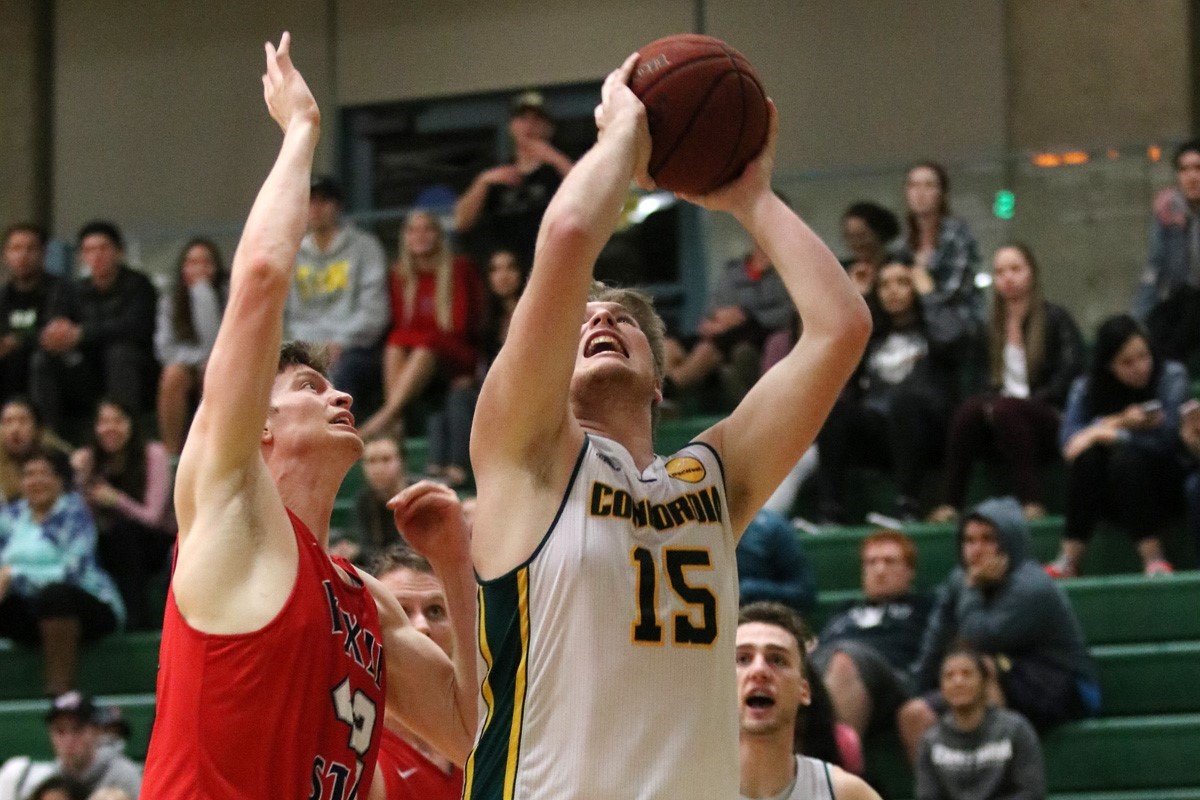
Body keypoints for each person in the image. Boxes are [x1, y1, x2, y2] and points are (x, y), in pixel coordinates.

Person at [467, 53, 871, 799]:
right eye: (584, 319)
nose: (603, 320)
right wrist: (623, 134)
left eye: (624, 319)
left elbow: (840, 327)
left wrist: (752, 199)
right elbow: (565, 240)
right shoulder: (524, 457)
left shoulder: (713, 482)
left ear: (659, 381)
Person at [140, 34, 477, 799]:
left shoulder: (367, 599)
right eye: (306, 385)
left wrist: (456, 569)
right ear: (256, 423)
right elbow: (260, 275)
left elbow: (469, 737)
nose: (338, 395)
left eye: (333, 386)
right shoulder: (229, 509)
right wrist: (300, 131)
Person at [899, 497, 1099, 762]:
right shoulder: (960, 578)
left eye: (987, 540)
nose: (976, 550)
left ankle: (989, 784)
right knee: (914, 715)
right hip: (1004, 676)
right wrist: (917, 690)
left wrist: (972, 588)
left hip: (1065, 685)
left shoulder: (1032, 586)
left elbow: (977, 637)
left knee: (980, 668)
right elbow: (936, 638)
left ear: (1009, 542)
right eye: (969, 541)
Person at [929, 244, 1084, 523]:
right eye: (1000, 272)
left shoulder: (1056, 318)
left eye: (1015, 269)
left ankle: (1032, 502)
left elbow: (1069, 372)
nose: (1007, 278)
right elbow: (977, 381)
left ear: (1032, 274)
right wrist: (989, 402)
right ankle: (950, 503)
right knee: (969, 411)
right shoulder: (986, 328)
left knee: (1006, 409)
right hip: (1000, 417)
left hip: (1048, 415)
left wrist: (1029, 402)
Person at [816, 261, 968, 523]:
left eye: (902, 282)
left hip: (927, 432)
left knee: (904, 403)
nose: (892, 291)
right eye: (884, 285)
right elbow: (834, 355)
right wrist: (855, 299)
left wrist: (929, 295)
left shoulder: (934, 331)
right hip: (879, 433)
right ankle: (831, 513)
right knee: (835, 411)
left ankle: (908, 507)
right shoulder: (872, 337)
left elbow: (952, 338)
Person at [1046, 315, 1188, 577]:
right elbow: (1070, 447)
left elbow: (1169, 441)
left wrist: (1118, 436)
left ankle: (1154, 559)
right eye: (1127, 362)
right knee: (1088, 459)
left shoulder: (1171, 376)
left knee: (1125, 460)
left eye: (1144, 356)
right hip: (1109, 491)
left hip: (1161, 484)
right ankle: (1069, 559)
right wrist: (1121, 422)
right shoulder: (1086, 388)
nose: (1140, 367)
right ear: (1109, 365)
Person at [0, 448, 124, 694]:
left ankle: (60, 692)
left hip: (87, 606)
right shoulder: (11, 517)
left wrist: (16, 576)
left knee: (55, 595)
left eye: (44, 474)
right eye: (28, 475)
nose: (35, 481)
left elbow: (72, 573)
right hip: (31, 612)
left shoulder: (75, 513)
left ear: (60, 480)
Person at [737, 601, 882, 800]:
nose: (759, 670)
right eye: (743, 659)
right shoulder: (686, 785)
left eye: (777, 659)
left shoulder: (847, 793)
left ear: (804, 690)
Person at [360, 210, 483, 441]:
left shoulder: (460, 268)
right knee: (395, 343)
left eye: (428, 229)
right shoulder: (399, 274)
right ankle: (394, 422)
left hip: (458, 355)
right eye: (413, 230)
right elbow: (400, 328)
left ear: (439, 234)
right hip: (419, 354)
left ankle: (386, 417)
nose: (420, 235)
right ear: (404, 237)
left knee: (422, 343)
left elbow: (462, 327)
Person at [31, 221, 158, 436]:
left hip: (133, 369)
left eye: (103, 248)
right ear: (82, 257)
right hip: (86, 371)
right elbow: (52, 323)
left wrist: (82, 334)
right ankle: (47, 436)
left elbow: (136, 326)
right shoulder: (72, 290)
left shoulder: (138, 284)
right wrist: (56, 333)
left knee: (120, 353)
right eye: (89, 250)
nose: (97, 256)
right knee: (42, 360)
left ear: (119, 252)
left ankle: (125, 434)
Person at [811, 530, 934, 741]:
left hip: (892, 682)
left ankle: (838, 766)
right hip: (827, 672)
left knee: (843, 661)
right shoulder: (843, 610)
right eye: (871, 562)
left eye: (889, 562)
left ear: (909, 571)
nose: (879, 570)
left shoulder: (924, 607)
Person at [664, 218, 797, 405]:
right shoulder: (734, 270)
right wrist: (715, 323)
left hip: (761, 333)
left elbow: (790, 312)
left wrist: (744, 316)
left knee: (711, 346)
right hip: (726, 332)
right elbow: (714, 309)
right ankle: (667, 398)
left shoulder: (791, 269)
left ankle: (668, 390)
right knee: (671, 345)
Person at [368, 546, 464, 800]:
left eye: (435, 610)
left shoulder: (490, 735)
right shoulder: (358, 745)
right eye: (401, 613)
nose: (421, 627)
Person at [286, 174, 390, 406]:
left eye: (323, 201)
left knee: (339, 374)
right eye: (310, 201)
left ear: (338, 206)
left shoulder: (365, 247)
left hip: (353, 347)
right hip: (303, 346)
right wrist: (307, 349)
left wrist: (340, 342)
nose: (316, 208)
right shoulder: (293, 252)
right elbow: (288, 315)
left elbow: (375, 313)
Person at [72, 399, 174, 629]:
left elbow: (153, 518)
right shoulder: (90, 459)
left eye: (117, 420)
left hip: (154, 542)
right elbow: (80, 518)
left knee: (124, 534)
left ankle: (137, 621)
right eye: (103, 421)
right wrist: (80, 478)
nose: (110, 428)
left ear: (131, 425)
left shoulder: (153, 454)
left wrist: (116, 500)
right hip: (109, 542)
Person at [455, 90, 575, 269]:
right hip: (507, 271)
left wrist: (554, 158)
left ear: (549, 128)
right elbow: (461, 222)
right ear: (511, 126)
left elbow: (590, 196)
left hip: (554, 264)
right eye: (522, 119)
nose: (529, 125)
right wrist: (483, 181)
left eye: (536, 120)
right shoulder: (493, 174)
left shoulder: (559, 169)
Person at [915, 645, 1046, 800]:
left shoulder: (1016, 729)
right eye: (949, 676)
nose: (958, 681)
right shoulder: (930, 740)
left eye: (967, 674)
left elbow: (1031, 793)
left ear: (985, 682)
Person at [154, 238, 227, 455]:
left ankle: (215, 450)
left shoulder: (228, 294)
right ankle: (171, 454)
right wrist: (196, 359)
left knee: (210, 371)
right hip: (186, 365)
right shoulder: (170, 300)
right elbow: (164, 349)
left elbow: (215, 345)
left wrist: (203, 293)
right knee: (172, 375)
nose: (199, 269)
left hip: (222, 366)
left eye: (206, 263)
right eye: (192, 263)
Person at [1137, 140, 1200, 362]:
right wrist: (1139, 321)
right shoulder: (1168, 211)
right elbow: (1154, 266)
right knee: (1155, 326)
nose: (1192, 177)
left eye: (1198, 168)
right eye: (1184, 169)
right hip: (1182, 300)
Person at [895, 161, 980, 321]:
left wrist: (925, 290)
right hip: (918, 330)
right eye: (914, 185)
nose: (920, 193)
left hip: (958, 328)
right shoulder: (902, 243)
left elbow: (955, 291)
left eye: (929, 185)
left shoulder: (957, 235)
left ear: (942, 193)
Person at [0, 224, 62, 401]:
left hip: (50, 366)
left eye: (30, 249)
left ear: (43, 254)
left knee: (38, 361)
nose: (23, 255)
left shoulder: (61, 290)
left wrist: (16, 340)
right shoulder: (3, 296)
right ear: (6, 255)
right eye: (16, 248)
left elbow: (54, 333)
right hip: (10, 370)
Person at [42, 693, 141, 800]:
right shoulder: (50, 777)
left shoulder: (124, 776)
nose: (68, 740)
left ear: (96, 731)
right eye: (60, 731)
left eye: (77, 730)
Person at [335, 433, 409, 567]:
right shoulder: (364, 501)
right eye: (371, 461)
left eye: (386, 460)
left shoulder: (419, 497)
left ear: (402, 461)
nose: (378, 469)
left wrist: (358, 551)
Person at [736, 507, 817, 614]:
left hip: (762, 617)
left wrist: (748, 590)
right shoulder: (710, 534)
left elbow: (804, 593)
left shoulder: (772, 528)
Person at [0, 397, 72, 503]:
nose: (15, 429)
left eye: (23, 421)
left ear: (36, 428)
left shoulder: (52, 452)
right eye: (8, 421)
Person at [841, 201, 901, 296]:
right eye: (850, 236)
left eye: (861, 235)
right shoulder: (842, 273)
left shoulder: (900, 267)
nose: (856, 243)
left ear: (879, 233)